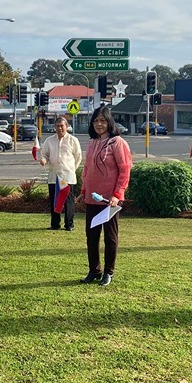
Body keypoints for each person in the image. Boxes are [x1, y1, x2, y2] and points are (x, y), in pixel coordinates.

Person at [79, 105, 132, 286]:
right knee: (91, 236)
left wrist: (117, 194)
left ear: (109, 122)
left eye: (102, 121)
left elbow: (125, 170)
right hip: (92, 198)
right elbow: (87, 170)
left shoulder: (117, 142)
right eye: (96, 121)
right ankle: (94, 270)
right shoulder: (92, 143)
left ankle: (108, 272)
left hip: (110, 199)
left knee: (110, 237)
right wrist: (83, 191)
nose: (99, 124)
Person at [39, 115, 83, 231]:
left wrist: (72, 169)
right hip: (54, 175)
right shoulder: (49, 140)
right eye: (57, 126)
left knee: (69, 202)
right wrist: (43, 160)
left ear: (67, 127)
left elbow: (78, 157)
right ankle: (55, 224)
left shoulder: (73, 140)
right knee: (55, 201)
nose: (59, 128)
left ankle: (69, 225)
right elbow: (44, 154)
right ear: (54, 127)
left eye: (62, 126)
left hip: (68, 176)